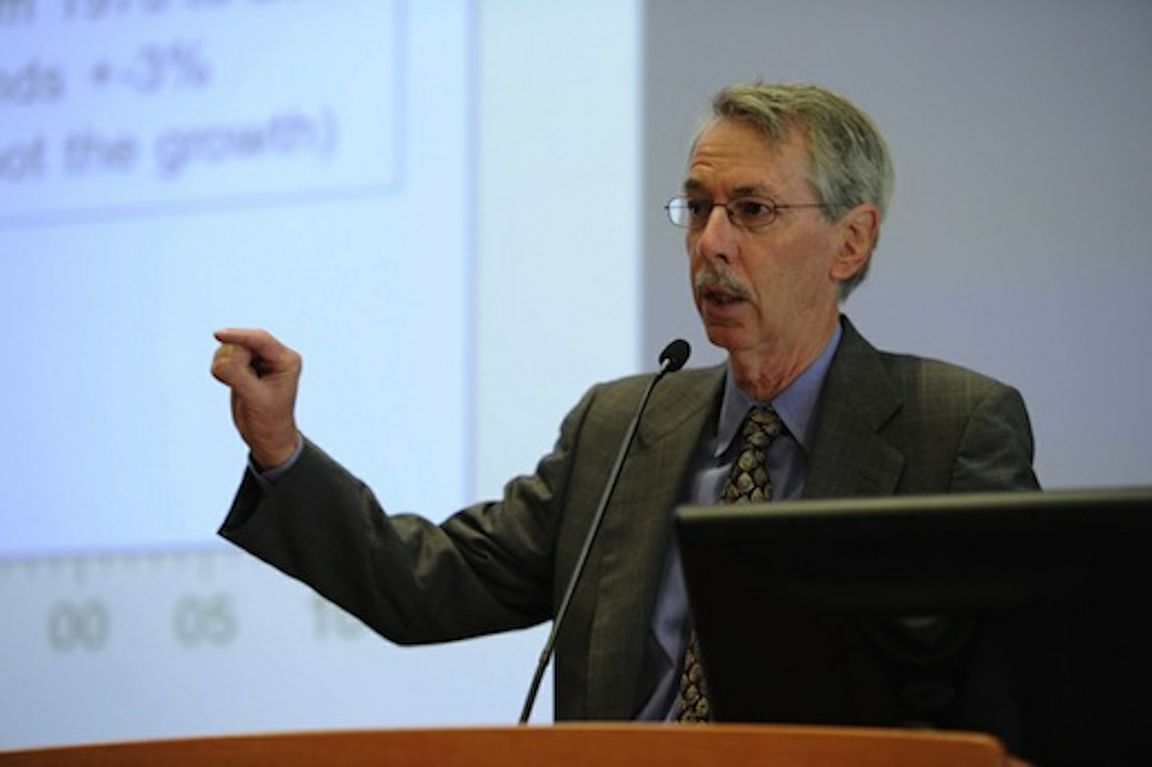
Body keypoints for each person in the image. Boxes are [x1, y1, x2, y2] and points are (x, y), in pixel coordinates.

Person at [211, 82, 1039, 722]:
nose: (711, 242)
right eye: (699, 208)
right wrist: (280, 449)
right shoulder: (622, 427)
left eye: (751, 211)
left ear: (850, 240)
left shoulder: (954, 428)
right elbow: (426, 585)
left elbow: (1007, 696)